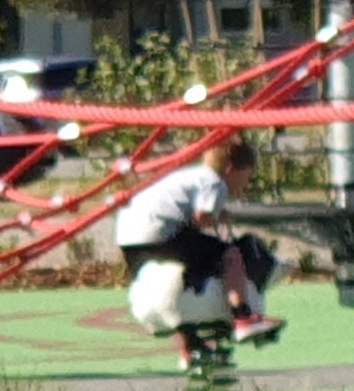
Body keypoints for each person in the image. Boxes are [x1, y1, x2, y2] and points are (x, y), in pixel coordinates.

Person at [117, 137, 285, 353]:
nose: (247, 184)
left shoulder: (189, 176)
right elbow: (201, 217)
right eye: (247, 176)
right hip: (160, 235)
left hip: (129, 241)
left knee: (187, 276)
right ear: (231, 169)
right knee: (230, 253)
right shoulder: (215, 181)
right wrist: (218, 219)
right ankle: (244, 318)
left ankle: (190, 345)